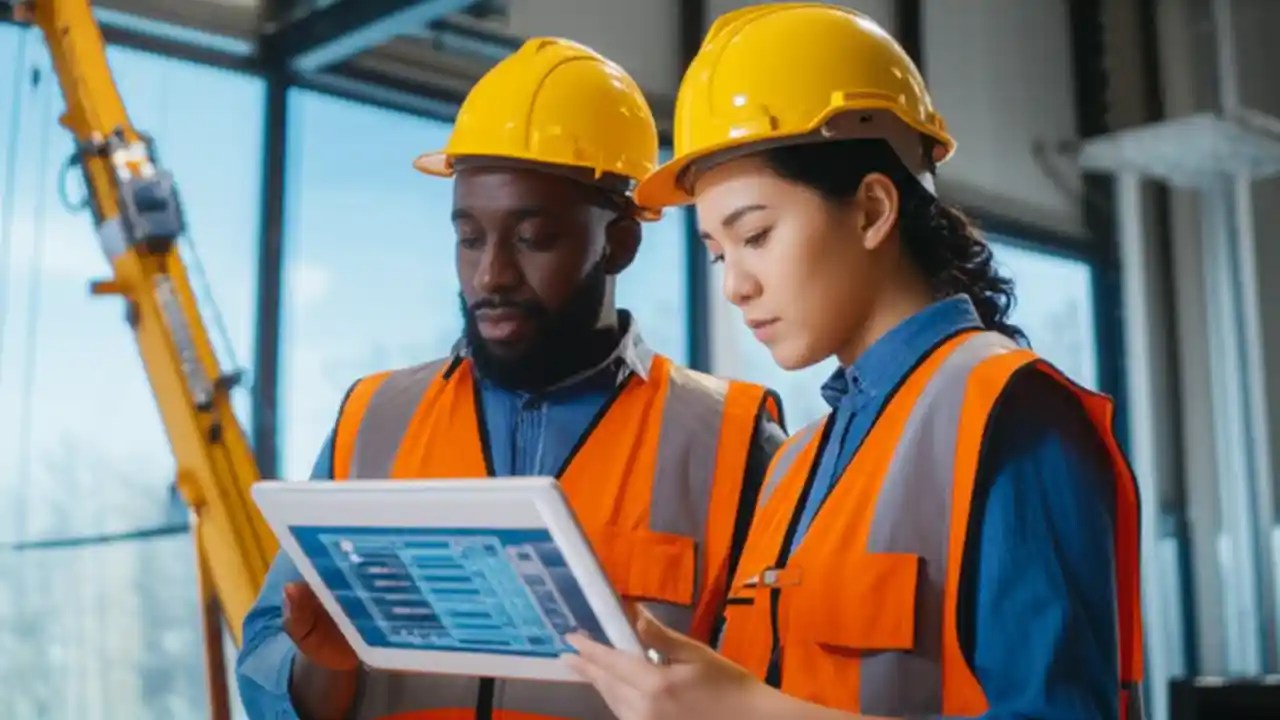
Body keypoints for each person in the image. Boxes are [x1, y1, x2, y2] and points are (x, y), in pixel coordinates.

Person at [562, 5, 1145, 720]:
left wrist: (750, 714)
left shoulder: (1007, 415)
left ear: (871, 210)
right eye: (718, 253)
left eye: (757, 235)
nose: (734, 285)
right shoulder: (795, 466)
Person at [235, 36, 786, 720]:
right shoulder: (372, 420)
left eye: (532, 239)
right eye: (469, 238)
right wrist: (324, 665)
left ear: (619, 241)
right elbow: (265, 659)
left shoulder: (732, 441)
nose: (490, 275)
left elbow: (777, 693)